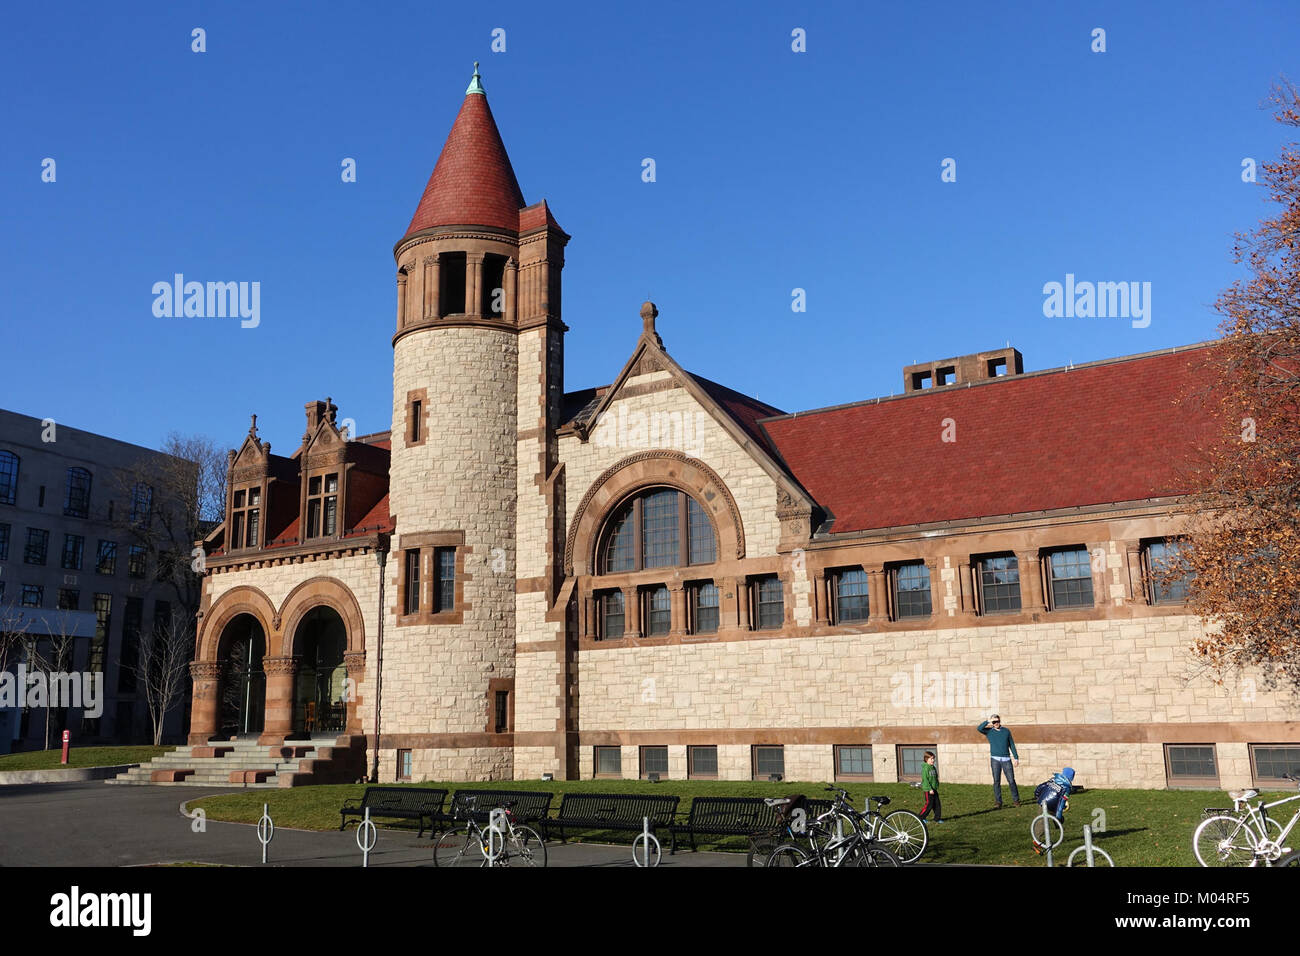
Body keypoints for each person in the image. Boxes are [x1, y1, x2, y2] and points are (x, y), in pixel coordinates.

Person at [977, 714, 1020, 808]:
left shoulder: (1006, 731)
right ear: (992, 723)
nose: (996, 723)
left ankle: (1016, 800)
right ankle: (998, 802)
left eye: (998, 721)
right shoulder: (989, 731)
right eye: (994, 722)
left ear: (1000, 721)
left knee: (1011, 781)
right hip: (995, 760)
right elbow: (979, 728)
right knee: (996, 781)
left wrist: (1016, 758)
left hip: (1006, 759)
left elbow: (1011, 744)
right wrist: (988, 720)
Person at [918, 750, 944, 823]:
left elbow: (935, 777)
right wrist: (929, 789)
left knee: (937, 804)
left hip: (934, 789)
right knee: (929, 805)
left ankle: (937, 818)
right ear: (926, 759)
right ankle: (921, 817)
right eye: (931, 759)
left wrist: (936, 785)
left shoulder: (933, 767)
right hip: (928, 790)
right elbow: (925, 780)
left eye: (933, 758)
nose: (933, 760)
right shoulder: (926, 768)